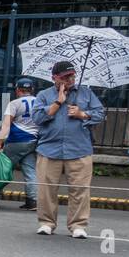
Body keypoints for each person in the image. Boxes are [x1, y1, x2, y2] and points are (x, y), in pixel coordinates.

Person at [31, 60, 104, 238]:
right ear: (54, 77)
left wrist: (82, 114)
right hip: (49, 149)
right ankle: (46, 223)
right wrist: (57, 103)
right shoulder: (44, 95)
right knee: (46, 189)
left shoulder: (86, 93)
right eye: (65, 77)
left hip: (79, 149)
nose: (69, 79)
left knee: (80, 189)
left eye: (71, 76)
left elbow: (100, 113)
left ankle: (78, 225)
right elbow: (37, 118)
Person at [0, 76, 40, 210]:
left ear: (17, 90)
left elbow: (6, 125)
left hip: (17, 140)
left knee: (4, 168)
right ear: (32, 89)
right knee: (30, 171)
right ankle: (32, 200)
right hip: (33, 141)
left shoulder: (14, 104)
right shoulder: (40, 102)